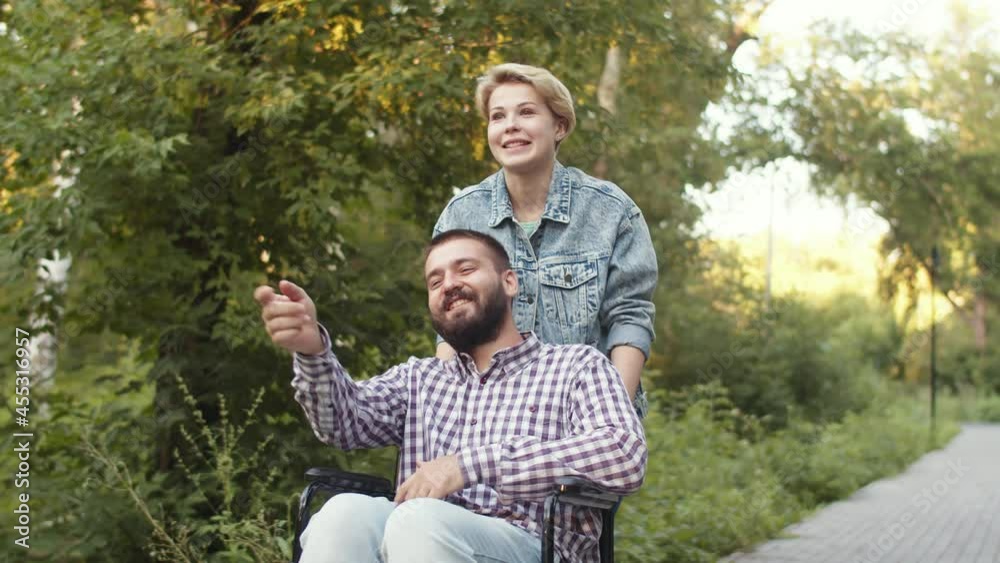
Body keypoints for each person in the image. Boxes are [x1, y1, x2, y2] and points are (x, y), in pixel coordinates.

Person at [255, 229, 647, 563]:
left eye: (466, 269)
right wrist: (312, 353)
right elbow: (343, 424)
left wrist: (473, 464)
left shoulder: (575, 366)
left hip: (534, 544)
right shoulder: (419, 378)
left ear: (509, 282)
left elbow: (623, 453)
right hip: (420, 533)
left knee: (419, 519)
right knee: (342, 511)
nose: (449, 285)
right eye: (435, 280)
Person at [432, 63, 657, 418]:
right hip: (487, 425)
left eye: (526, 112)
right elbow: (451, 330)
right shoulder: (462, 217)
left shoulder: (612, 212)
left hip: (581, 422)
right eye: (498, 116)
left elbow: (629, 318)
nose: (510, 126)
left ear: (559, 126)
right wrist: (446, 419)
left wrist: (610, 422)